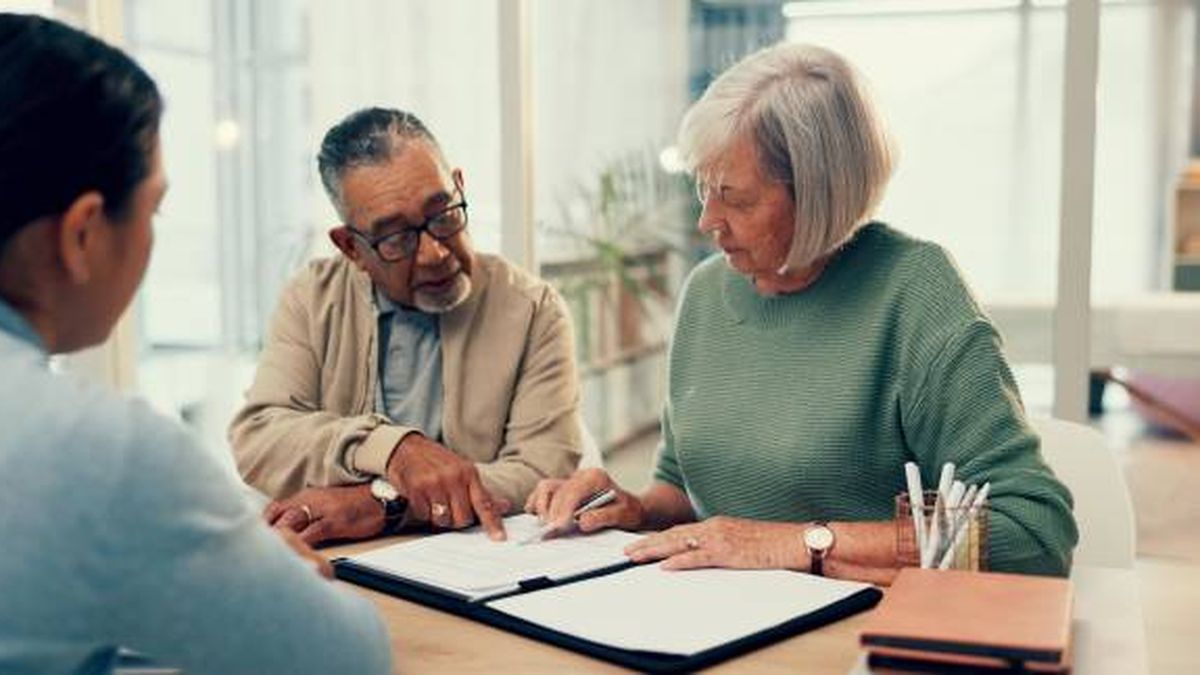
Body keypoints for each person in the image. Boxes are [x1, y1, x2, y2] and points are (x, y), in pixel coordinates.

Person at [528, 43, 1078, 582]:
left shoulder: (914, 292)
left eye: (735, 198)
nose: (708, 221)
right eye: (703, 190)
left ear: (820, 194)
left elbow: (1032, 531)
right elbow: (686, 487)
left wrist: (798, 544)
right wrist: (631, 508)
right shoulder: (705, 293)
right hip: (715, 622)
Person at [0, 14, 389, 674]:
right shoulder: (98, 449)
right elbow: (348, 659)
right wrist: (260, 576)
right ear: (82, 234)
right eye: (154, 209)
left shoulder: (524, 302)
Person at [229, 108, 581, 544]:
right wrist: (394, 449)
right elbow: (261, 435)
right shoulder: (311, 299)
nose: (434, 252)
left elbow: (542, 471)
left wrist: (384, 504)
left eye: (444, 214)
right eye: (396, 238)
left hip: (480, 557)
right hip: (340, 558)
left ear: (459, 186)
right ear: (351, 248)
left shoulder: (534, 309)